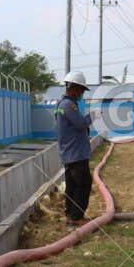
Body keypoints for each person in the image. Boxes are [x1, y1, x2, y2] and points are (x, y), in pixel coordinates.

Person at [54, 71, 93, 222]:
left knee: (72, 186)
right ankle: (76, 217)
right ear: (74, 88)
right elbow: (80, 124)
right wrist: (92, 116)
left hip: (68, 153)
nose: (82, 93)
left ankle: (70, 214)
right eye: (81, 89)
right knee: (83, 185)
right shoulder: (69, 105)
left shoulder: (60, 104)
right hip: (76, 153)